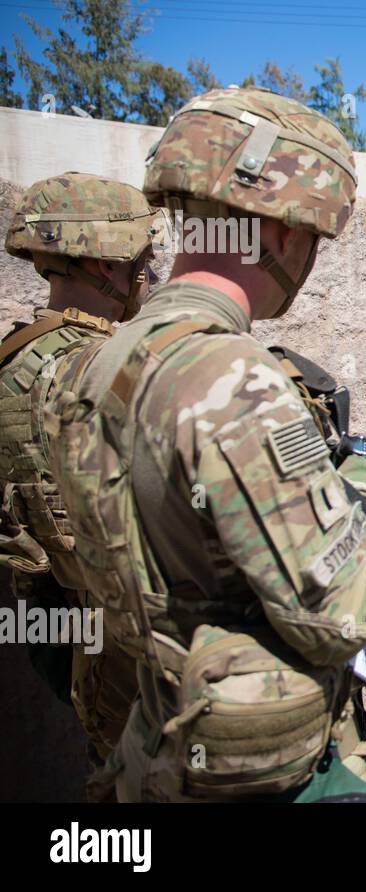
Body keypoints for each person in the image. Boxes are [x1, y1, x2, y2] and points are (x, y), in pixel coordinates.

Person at [45, 87, 366, 801]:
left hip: (156, 743)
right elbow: (339, 616)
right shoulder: (233, 377)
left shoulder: (92, 360)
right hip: (258, 771)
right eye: (314, 240)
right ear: (283, 234)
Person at [0, 173, 158, 794]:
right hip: (121, 634)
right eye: (143, 259)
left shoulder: (17, 352)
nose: (150, 273)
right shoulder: (101, 367)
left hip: (53, 624)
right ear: (105, 263)